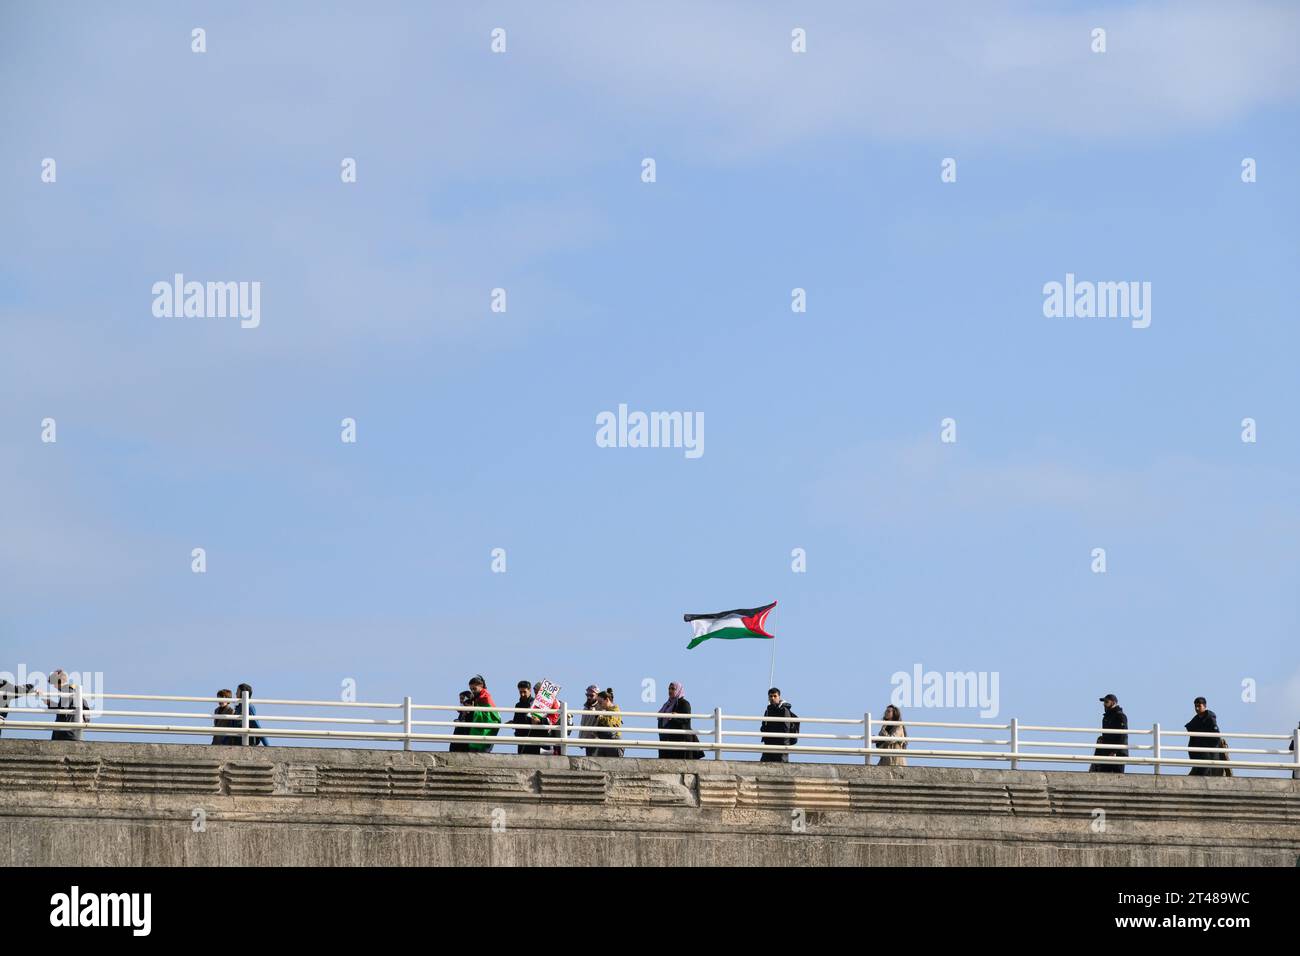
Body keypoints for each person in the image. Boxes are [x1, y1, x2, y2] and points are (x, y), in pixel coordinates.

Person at [656, 682, 702, 759]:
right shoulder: (667, 705)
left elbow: (686, 720)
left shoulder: (684, 703)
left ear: (678, 690)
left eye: (673, 689)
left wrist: (675, 717)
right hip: (667, 740)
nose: (670, 691)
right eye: (669, 689)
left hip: (681, 741)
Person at [46, 670, 91, 741]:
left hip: (66, 734)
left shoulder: (66, 690)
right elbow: (87, 718)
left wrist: (49, 702)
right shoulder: (76, 692)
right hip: (75, 734)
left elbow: (62, 710)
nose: (54, 686)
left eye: (54, 683)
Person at [1089, 693, 1127, 772]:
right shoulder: (1106, 717)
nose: (1104, 704)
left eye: (1106, 702)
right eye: (1104, 702)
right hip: (1106, 752)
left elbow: (1122, 736)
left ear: (1113, 703)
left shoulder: (1120, 716)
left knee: (1118, 777)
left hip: (1118, 753)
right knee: (1103, 774)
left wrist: (1115, 751)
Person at [760, 688, 799, 762]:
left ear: (779, 697)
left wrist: (783, 746)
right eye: (770, 696)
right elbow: (764, 727)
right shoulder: (768, 711)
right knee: (763, 766)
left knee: (781, 768)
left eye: (775, 696)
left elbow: (786, 729)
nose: (772, 698)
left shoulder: (784, 710)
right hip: (769, 744)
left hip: (781, 746)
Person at [1185, 697, 1219, 776]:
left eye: (1199, 706)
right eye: (1195, 706)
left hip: (1206, 750)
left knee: (1204, 769)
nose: (1197, 708)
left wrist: (1210, 749)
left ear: (1204, 706)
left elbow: (1216, 736)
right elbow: (1190, 729)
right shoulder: (1196, 719)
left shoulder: (1210, 718)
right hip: (1197, 751)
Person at [466, 675, 500, 753]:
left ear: (481, 686)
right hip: (479, 729)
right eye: (471, 689)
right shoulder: (478, 697)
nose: (472, 691)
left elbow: (489, 715)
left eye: (474, 689)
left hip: (488, 728)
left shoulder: (485, 696)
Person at [510, 680, 541, 755]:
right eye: (520, 692)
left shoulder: (535, 704)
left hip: (532, 738)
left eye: (524, 691)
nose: (522, 694)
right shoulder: (518, 705)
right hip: (520, 738)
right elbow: (517, 720)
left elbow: (538, 720)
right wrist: (512, 722)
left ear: (530, 690)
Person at [592, 688, 623, 758]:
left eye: (600, 702)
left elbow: (609, 722)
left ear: (607, 700)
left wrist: (600, 717)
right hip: (604, 742)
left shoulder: (615, 709)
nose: (599, 705)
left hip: (614, 742)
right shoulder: (605, 711)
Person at [534, 681, 562, 755]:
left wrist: (540, 720)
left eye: (537, 692)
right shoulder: (535, 703)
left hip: (552, 733)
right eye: (535, 693)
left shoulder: (554, 701)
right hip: (541, 735)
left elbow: (554, 718)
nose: (536, 695)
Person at [578, 684, 601, 756]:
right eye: (587, 695)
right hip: (587, 740)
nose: (588, 697)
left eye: (591, 695)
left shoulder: (600, 708)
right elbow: (583, 724)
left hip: (595, 741)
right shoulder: (586, 707)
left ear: (597, 696)